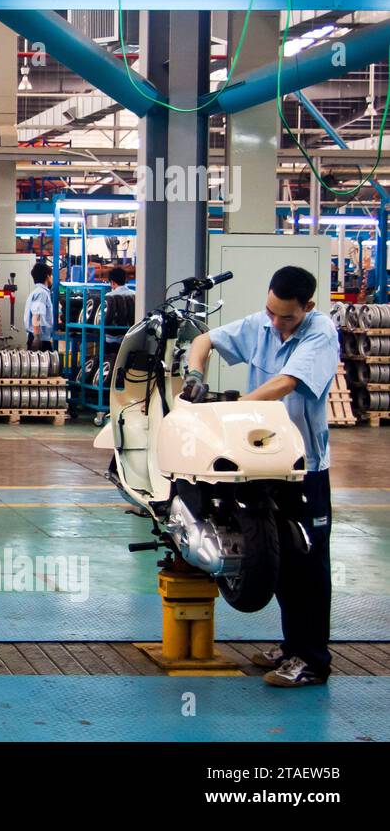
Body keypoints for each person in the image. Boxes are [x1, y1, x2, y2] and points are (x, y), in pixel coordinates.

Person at [181, 266, 339, 689]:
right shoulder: (263, 324)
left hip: (304, 466)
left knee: (308, 562)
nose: (275, 322)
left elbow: (285, 383)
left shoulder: (320, 333)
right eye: (270, 312)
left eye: (285, 317)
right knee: (279, 554)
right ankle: (292, 647)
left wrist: (234, 410)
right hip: (263, 461)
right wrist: (196, 372)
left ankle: (312, 660)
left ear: (307, 307)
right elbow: (205, 339)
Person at [103, 266, 136, 357]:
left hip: (112, 340)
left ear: (112, 282)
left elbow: (104, 317)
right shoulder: (134, 295)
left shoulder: (109, 296)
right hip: (131, 337)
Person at [23, 262, 54, 350]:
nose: (52, 278)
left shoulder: (36, 292)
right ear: (48, 276)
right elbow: (36, 315)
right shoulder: (42, 293)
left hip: (37, 337)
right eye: (51, 275)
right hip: (40, 340)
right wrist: (37, 337)